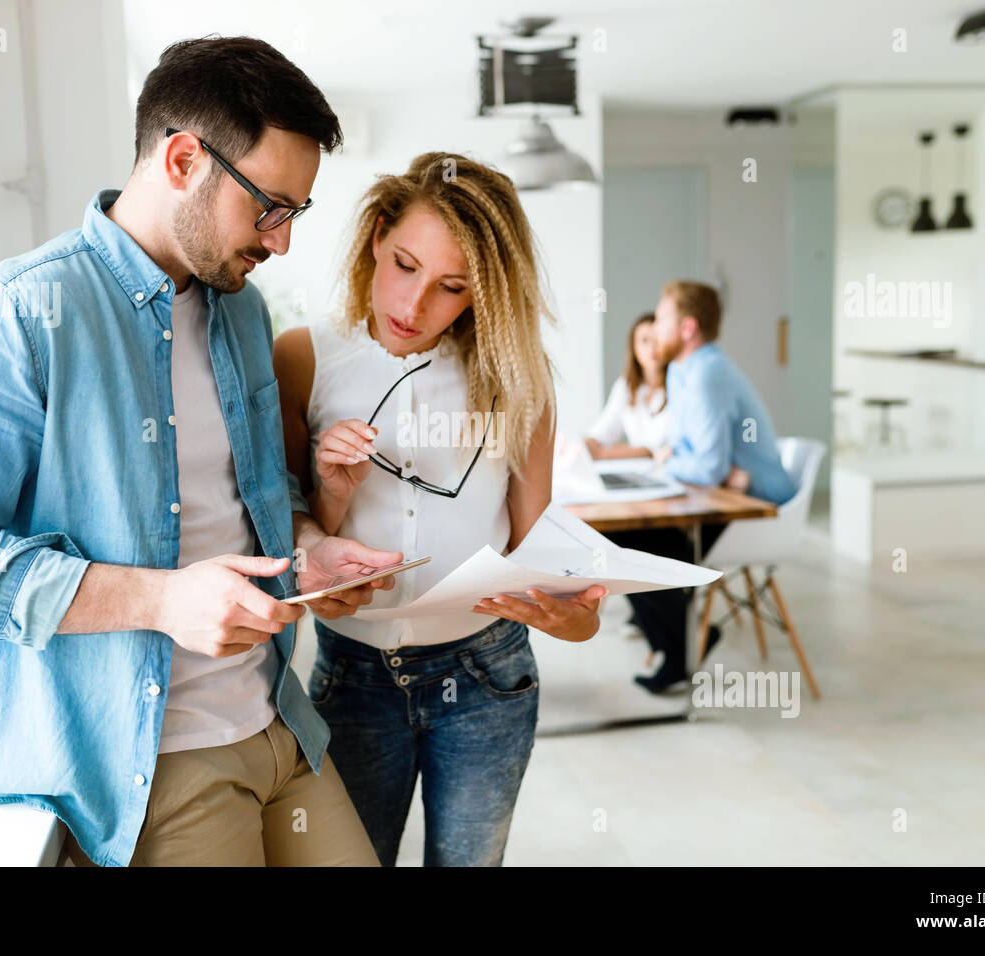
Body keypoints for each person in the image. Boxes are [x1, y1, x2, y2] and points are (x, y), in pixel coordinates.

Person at [0, 36, 403, 867]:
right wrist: (161, 601)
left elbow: (251, 510)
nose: (281, 242)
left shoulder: (241, 312)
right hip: (149, 762)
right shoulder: (17, 314)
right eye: (269, 206)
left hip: (279, 723)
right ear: (184, 159)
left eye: (294, 214)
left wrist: (311, 551)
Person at [274, 152, 607, 866]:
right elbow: (288, 542)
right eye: (404, 264)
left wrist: (579, 616)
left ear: (481, 293)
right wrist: (331, 491)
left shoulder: (517, 380)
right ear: (377, 236)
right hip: (353, 678)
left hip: (489, 675)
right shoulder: (302, 359)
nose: (413, 305)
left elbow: (536, 547)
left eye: (451, 287)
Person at [608, 280, 798, 694]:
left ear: (688, 327)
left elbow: (707, 468)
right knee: (621, 542)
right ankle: (683, 642)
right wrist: (675, 460)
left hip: (751, 506)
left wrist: (673, 461)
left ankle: (680, 646)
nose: (655, 329)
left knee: (631, 545)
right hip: (718, 495)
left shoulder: (709, 374)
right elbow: (686, 453)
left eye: (661, 320)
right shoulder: (681, 370)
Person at [585, 312, 671, 460]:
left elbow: (656, 450)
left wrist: (608, 453)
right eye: (645, 340)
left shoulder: (679, 386)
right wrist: (583, 445)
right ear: (634, 348)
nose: (652, 347)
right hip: (638, 471)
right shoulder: (625, 387)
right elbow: (602, 432)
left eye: (658, 340)